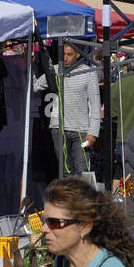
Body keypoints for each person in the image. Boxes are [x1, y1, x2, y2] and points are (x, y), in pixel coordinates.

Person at [34, 38, 100, 177]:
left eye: (69, 54)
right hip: (59, 129)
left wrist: (93, 132)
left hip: (82, 131)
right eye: (63, 54)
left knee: (82, 171)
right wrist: (30, 64)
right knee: (64, 171)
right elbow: (35, 86)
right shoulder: (55, 70)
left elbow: (95, 104)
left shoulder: (89, 73)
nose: (65, 57)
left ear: (78, 55)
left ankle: (81, 198)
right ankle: (67, 198)